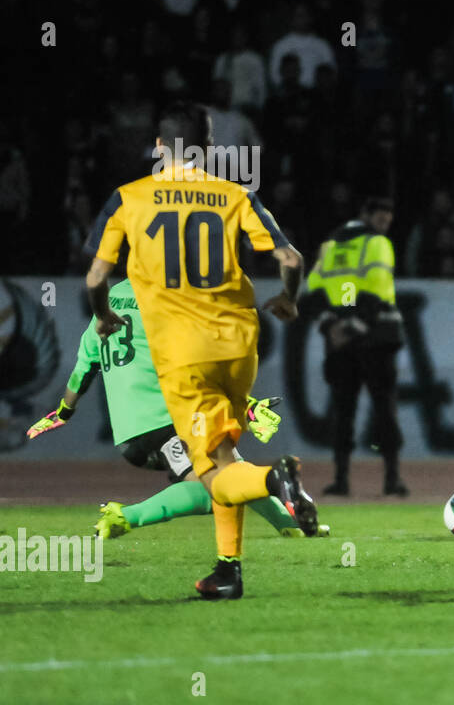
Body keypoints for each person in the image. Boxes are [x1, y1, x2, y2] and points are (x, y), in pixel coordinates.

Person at [83, 101, 313, 600]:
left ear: (159, 147)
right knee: (224, 451)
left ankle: (275, 479)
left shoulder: (128, 198)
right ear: (208, 149)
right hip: (238, 346)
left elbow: (97, 275)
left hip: (184, 357)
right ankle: (227, 571)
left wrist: (102, 313)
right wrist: (289, 300)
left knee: (214, 472)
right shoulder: (236, 194)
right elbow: (290, 257)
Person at [25, 278, 324, 539]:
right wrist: (244, 405)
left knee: (230, 464)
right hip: (165, 417)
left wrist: (63, 412)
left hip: (130, 429)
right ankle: (125, 516)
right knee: (216, 489)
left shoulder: (114, 295)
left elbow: (84, 366)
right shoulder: (168, 299)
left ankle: (291, 524)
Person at [306, 196, 407, 496]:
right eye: (380, 214)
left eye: (388, 215)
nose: (385, 220)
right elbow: (376, 287)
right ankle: (391, 479)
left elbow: (314, 289)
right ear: (365, 214)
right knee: (384, 408)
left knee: (343, 410)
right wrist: (355, 326)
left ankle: (341, 480)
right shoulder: (377, 244)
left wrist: (331, 326)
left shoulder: (330, 246)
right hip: (376, 337)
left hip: (339, 341)